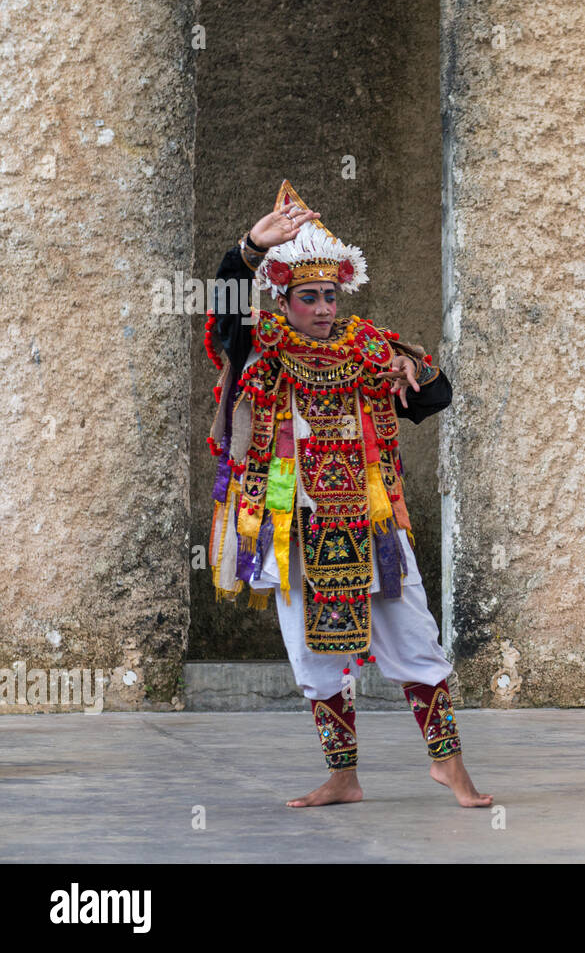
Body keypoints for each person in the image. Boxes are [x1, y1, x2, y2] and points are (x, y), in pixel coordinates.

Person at [204, 179, 490, 808]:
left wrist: (412, 370)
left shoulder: (371, 347)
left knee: (415, 638)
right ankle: (344, 776)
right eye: (310, 297)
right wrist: (252, 244)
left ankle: (450, 766)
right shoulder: (263, 346)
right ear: (284, 300)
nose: (325, 308)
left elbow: (436, 398)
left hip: (372, 523)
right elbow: (224, 309)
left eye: (331, 295)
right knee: (310, 655)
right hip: (292, 519)